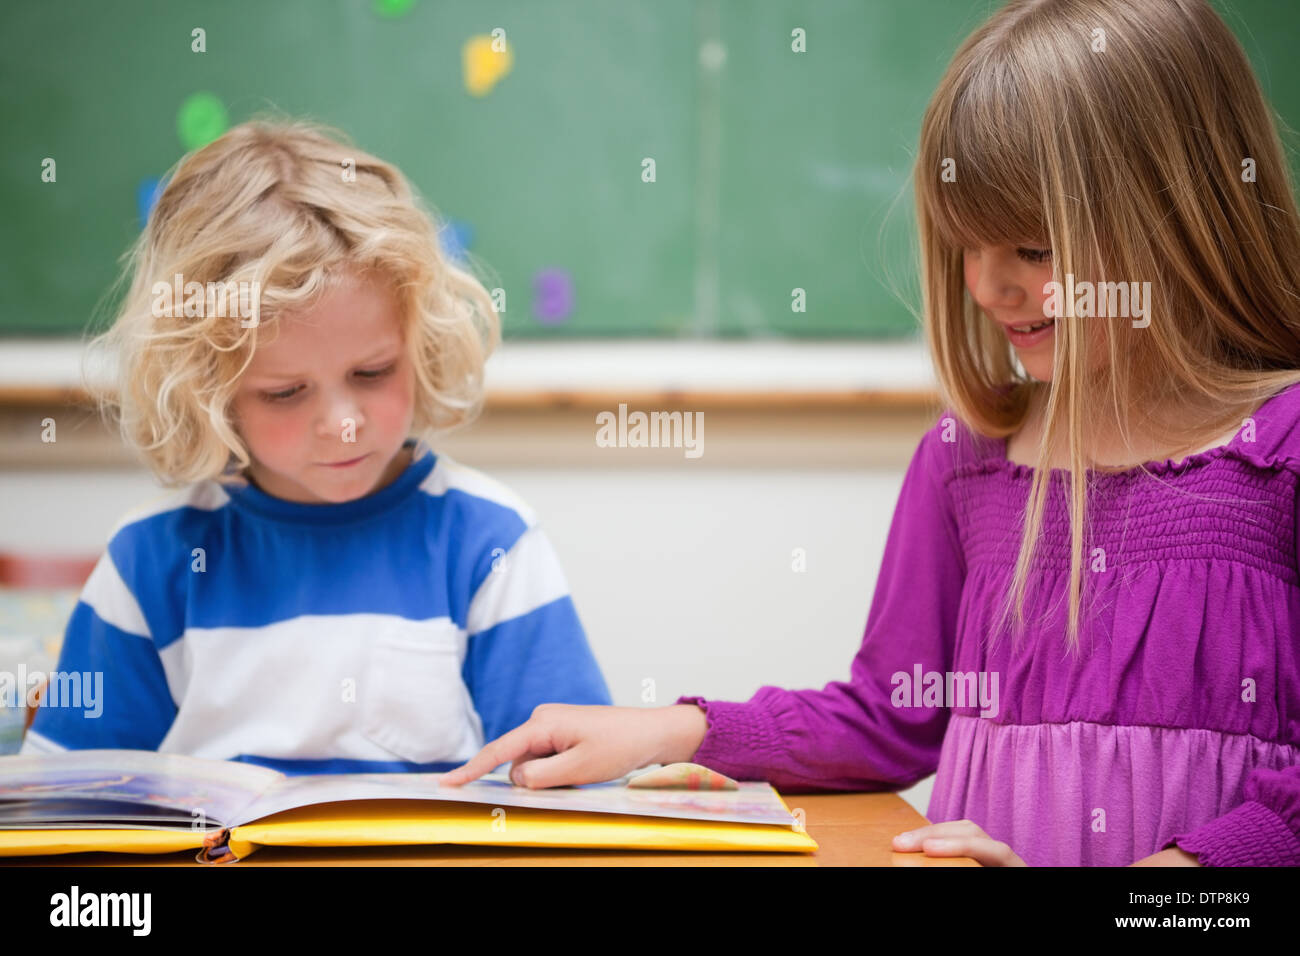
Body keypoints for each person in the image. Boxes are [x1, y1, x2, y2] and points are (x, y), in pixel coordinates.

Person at [445, 0, 1300, 866]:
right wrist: (673, 729)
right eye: (969, 245)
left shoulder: (1284, 454)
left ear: (1182, 212)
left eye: (1033, 251)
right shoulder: (967, 459)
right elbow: (893, 716)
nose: (987, 287)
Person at [21, 118, 611, 773]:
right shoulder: (150, 561)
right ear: (208, 390)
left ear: (420, 345)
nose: (344, 424)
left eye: (372, 373)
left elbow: (573, 786)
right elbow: (65, 800)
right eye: (285, 392)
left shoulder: (490, 543)